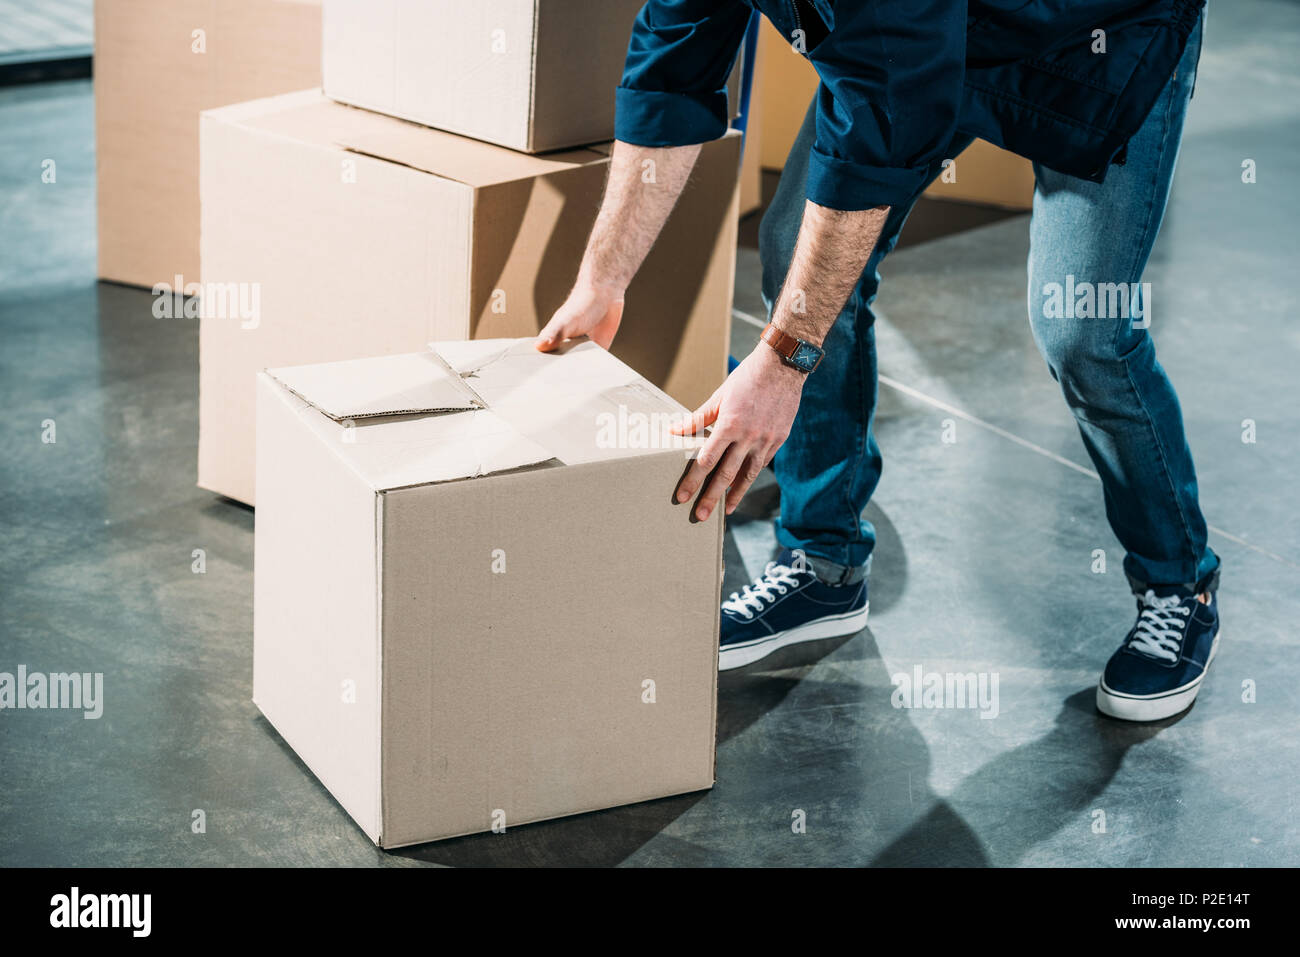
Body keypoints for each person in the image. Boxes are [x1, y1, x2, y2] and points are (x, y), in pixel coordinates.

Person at [537, 0, 1219, 722]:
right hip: (926, 36)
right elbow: (671, 69)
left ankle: (1181, 584)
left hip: (1103, 40)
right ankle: (823, 561)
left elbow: (876, 135)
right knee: (792, 258)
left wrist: (784, 362)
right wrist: (601, 280)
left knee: (1082, 330)